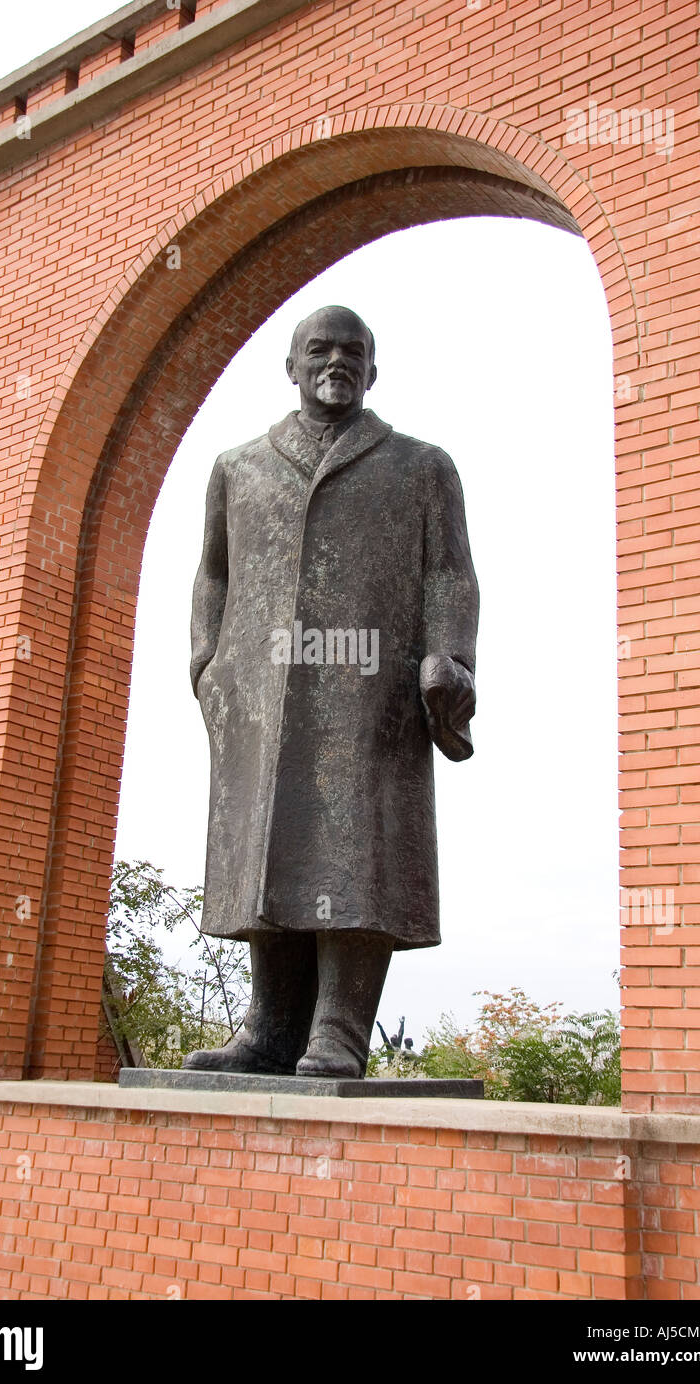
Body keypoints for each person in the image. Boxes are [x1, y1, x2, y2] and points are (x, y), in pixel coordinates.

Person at [184, 305, 479, 1078]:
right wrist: (209, 669)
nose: (337, 361)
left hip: (371, 693)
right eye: (320, 349)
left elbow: (449, 573)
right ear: (290, 365)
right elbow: (213, 574)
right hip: (257, 695)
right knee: (266, 852)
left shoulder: (421, 466)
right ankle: (271, 1030)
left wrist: (451, 656)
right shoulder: (237, 466)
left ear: (373, 371)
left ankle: (340, 1030)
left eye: (354, 352)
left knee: (358, 854)